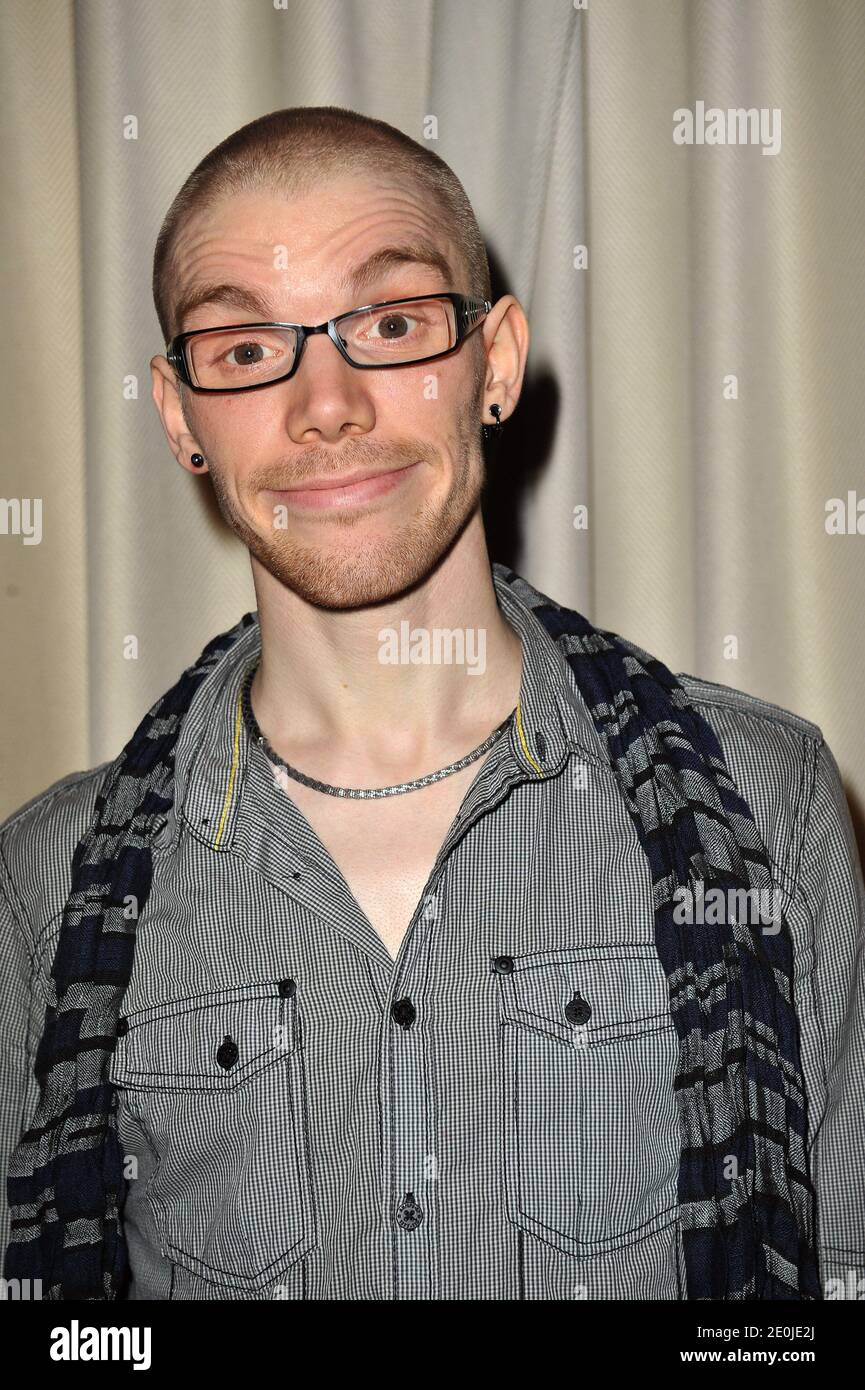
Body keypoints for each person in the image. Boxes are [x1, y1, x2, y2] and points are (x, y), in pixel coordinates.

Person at [1, 105, 863, 1302]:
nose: (328, 404)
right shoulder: (45, 883)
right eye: (246, 351)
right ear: (179, 414)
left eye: (391, 323)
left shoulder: (768, 799)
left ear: (493, 363)